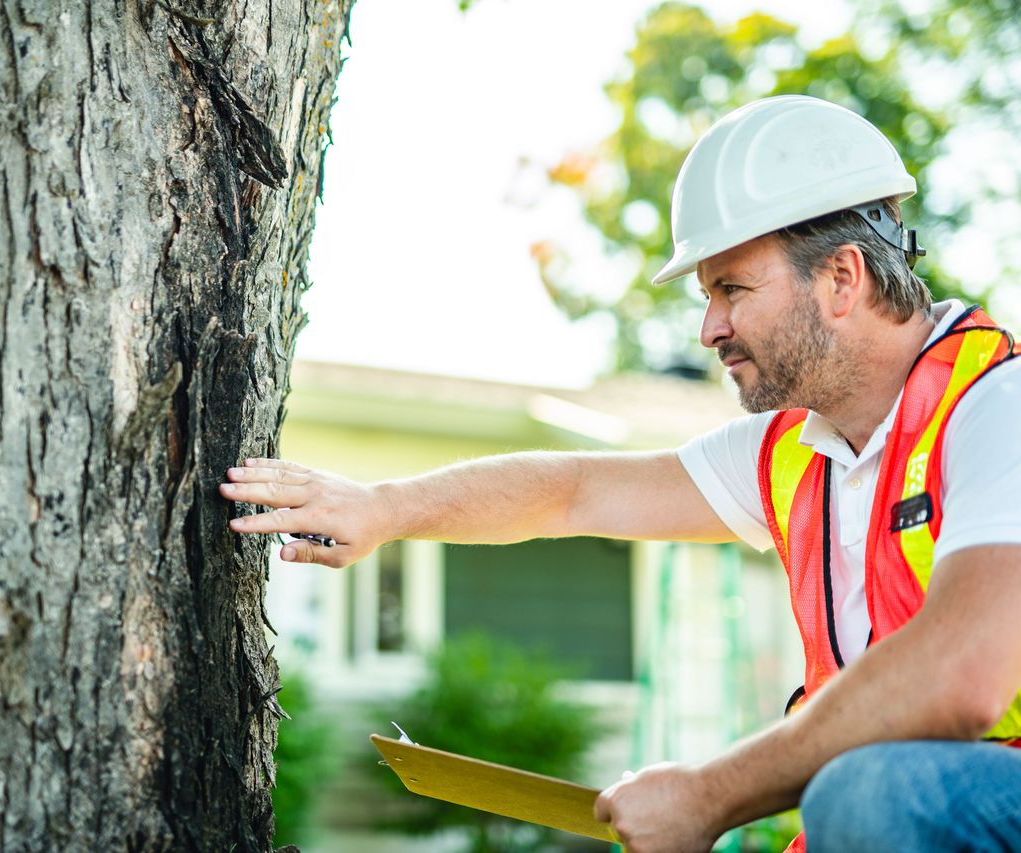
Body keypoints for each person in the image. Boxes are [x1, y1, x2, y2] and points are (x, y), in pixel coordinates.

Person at [219, 96, 1021, 852]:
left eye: (733, 289)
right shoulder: (793, 452)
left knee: (871, 794)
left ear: (842, 277)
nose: (711, 327)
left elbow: (961, 676)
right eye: (708, 295)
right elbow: (574, 488)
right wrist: (385, 508)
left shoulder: (998, 406)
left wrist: (711, 793)